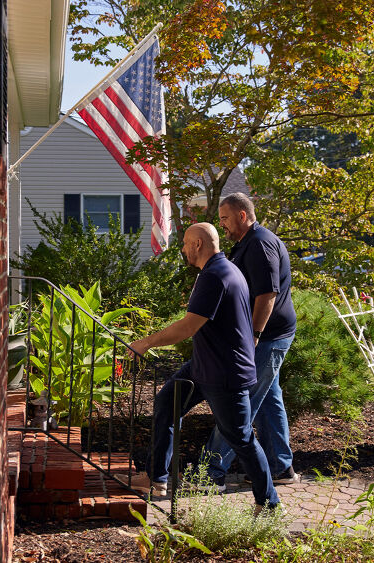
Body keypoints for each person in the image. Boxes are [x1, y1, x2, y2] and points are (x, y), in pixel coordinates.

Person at [117, 223, 280, 512]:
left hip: (225, 372)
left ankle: (268, 503)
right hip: (204, 366)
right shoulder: (222, 270)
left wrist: (146, 343)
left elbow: (189, 326)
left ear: (198, 245)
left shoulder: (216, 275)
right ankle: (156, 478)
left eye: (185, 243)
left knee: (241, 438)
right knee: (167, 403)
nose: (182, 249)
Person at [205, 193, 298, 489]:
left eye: (225, 219)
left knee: (239, 403)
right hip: (267, 337)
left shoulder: (260, 244)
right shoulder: (248, 243)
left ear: (242, 216)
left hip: (268, 337)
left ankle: (210, 472)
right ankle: (280, 467)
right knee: (269, 400)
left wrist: (253, 336)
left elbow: (267, 294)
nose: (222, 226)